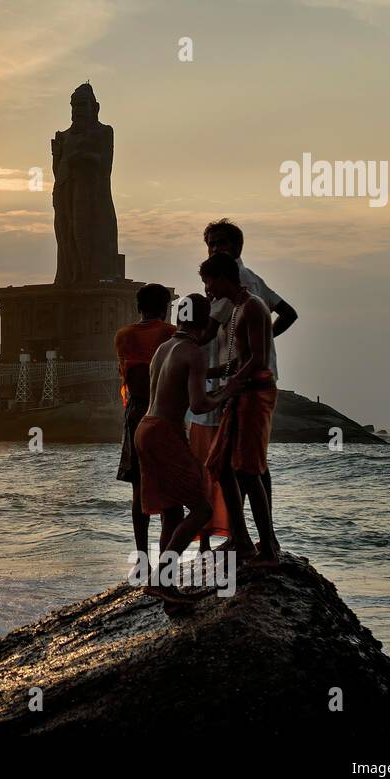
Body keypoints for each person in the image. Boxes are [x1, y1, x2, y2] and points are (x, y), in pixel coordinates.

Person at [134, 294, 239, 602]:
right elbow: (198, 403)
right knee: (202, 508)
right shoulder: (193, 351)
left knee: (171, 511)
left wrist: (213, 374)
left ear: (179, 317)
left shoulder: (164, 348)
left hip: (145, 428)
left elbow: (173, 376)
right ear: (205, 322)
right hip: (165, 432)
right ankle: (161, 579)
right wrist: (226, 390)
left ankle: (163, 584)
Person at [202, 219, 298, 521]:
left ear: (236, 246)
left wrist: (173, 347)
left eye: (221, 243)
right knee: (252, 462)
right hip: (250, 374)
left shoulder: (235, 280)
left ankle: (251, 537)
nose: (216, 248)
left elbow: (206, 333)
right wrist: (261, 340)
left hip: (245, 381)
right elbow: (288, 313)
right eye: (211, 244)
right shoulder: (251, 278)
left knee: (238, 463)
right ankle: (251, 535)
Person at [199, 253, 280, 567]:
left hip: (255, 394)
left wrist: (232, 385)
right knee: (221, 466)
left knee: (249, 471)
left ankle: (269, 549)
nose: (207, 290)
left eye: (208, 282)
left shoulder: (254, 307)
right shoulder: (234, 311)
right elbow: (239, 358)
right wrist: (209, 374)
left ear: (221, 278)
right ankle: (242, 541)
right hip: (240, 393)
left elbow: (258, 359)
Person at [114, 283, 176, 554]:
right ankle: (166, 559)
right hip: (164, 410)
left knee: (139, 488)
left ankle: (141, 557)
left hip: (135, 411)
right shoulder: (171, 334)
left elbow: (127, 374)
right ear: (166, 308)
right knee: (167, 488)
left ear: (138, 307)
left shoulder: (123, 335)